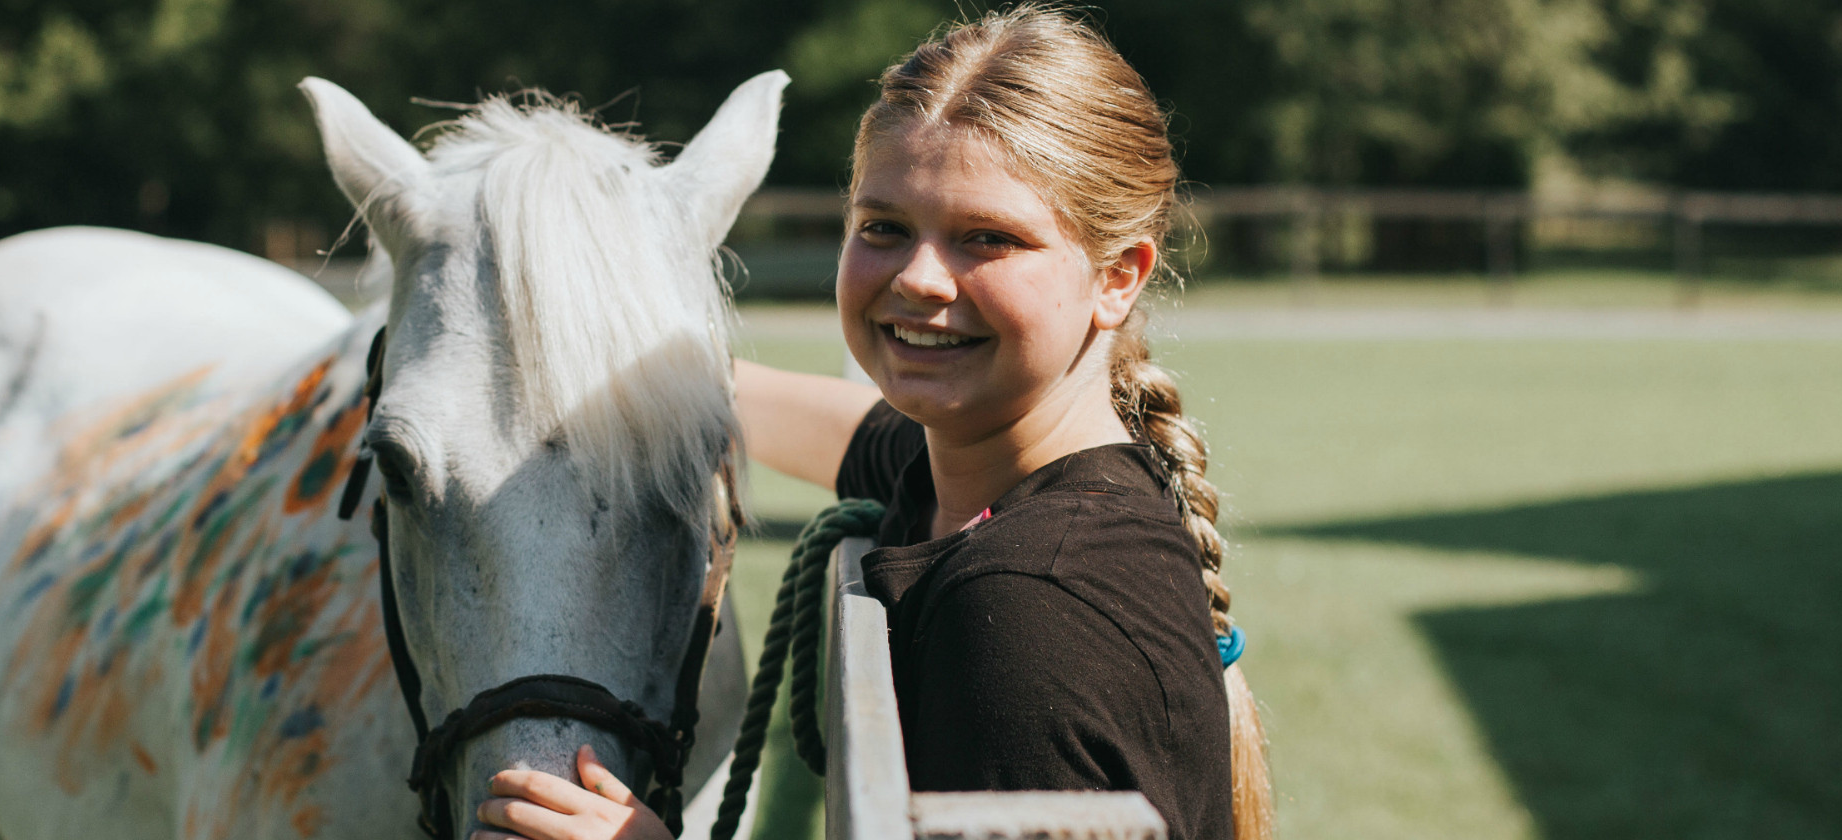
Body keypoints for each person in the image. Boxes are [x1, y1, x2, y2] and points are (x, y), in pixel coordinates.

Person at [471, 7, 1271, 840]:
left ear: (1118, 276)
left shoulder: (1028, 610)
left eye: (987, 238)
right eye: (884, 227)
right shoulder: (979, 473)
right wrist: (577, 352)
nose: (922, 278)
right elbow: (850, 434)